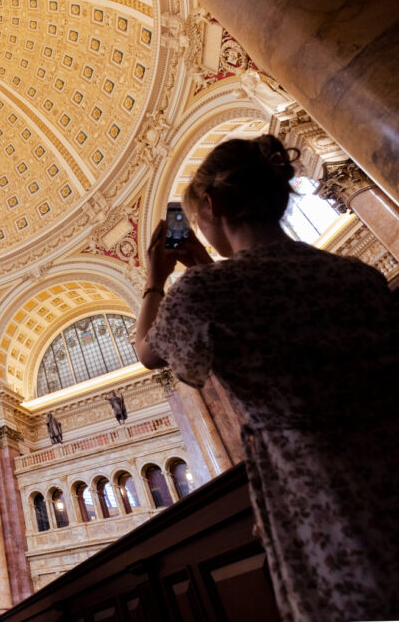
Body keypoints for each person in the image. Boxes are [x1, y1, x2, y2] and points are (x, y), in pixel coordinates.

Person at [134, 135, 399, 621]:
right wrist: (205, 266)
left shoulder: (204, 291)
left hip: (315, 487)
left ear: (211, 207)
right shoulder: (357, 275)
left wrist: (155, 278)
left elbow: (149, 352)